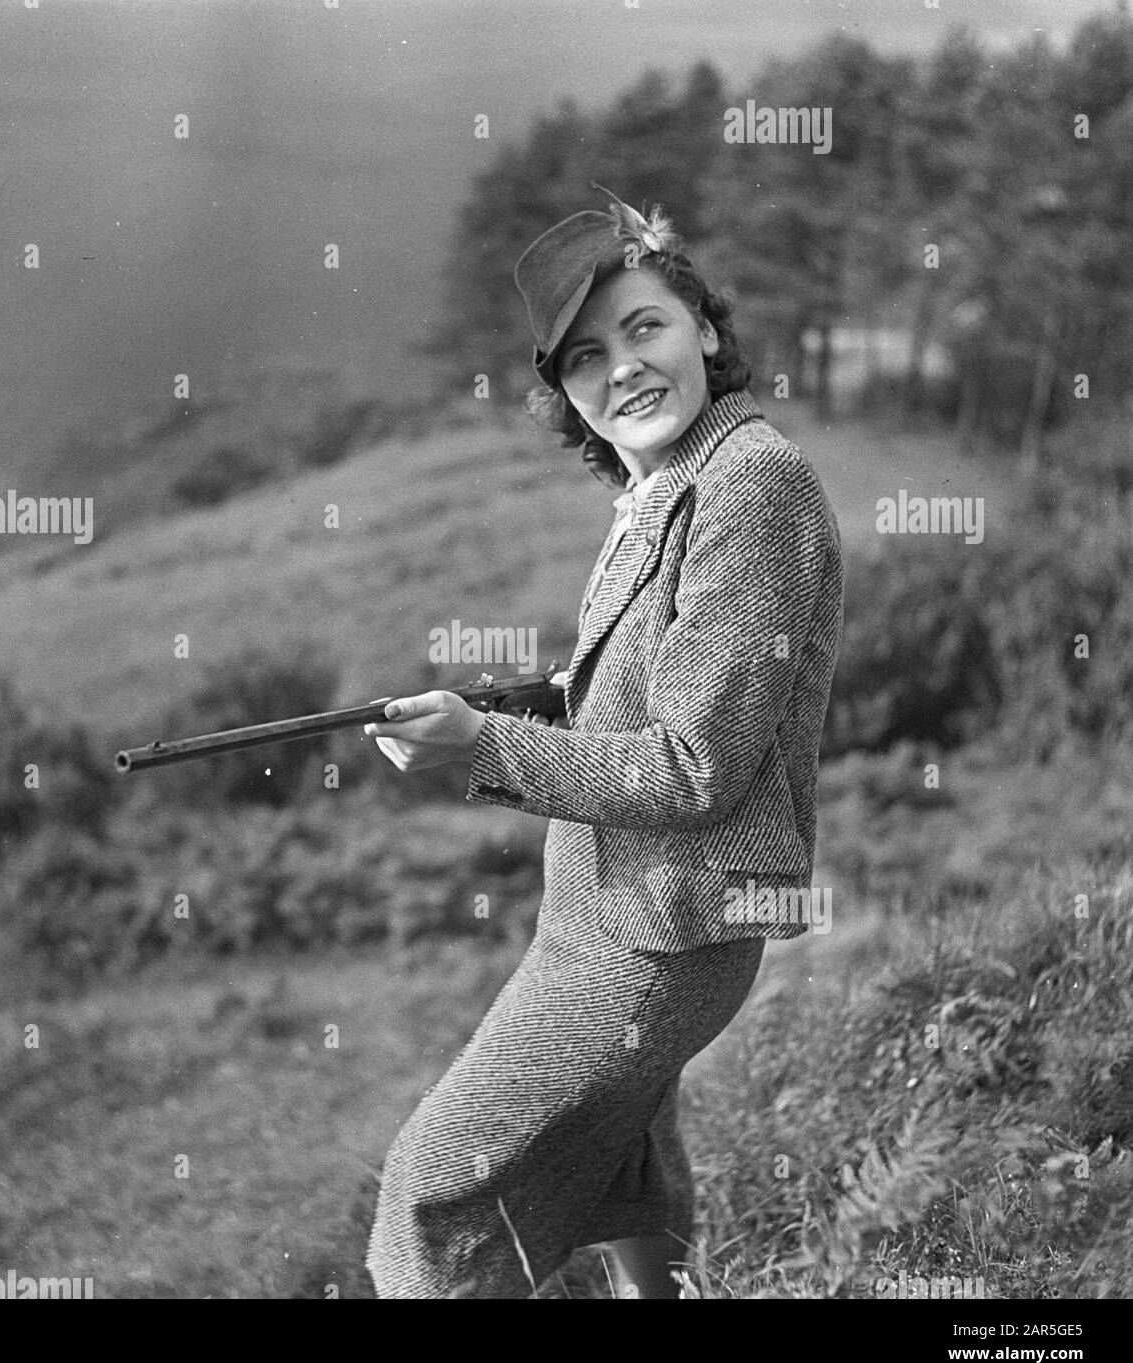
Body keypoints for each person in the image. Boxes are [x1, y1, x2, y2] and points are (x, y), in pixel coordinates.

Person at [361, 190, 844, 1299]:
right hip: (612, 908)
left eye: (644, 328)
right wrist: (532, 697)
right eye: (587, 355)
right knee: (626, 1161)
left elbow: (693, 763)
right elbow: (658, 673)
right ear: (566, 392)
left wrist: (485, 746)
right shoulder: (664, 483)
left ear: (705, 331)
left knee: (430, 1188)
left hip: (662, 930)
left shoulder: (749, 483)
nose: (622, 368)